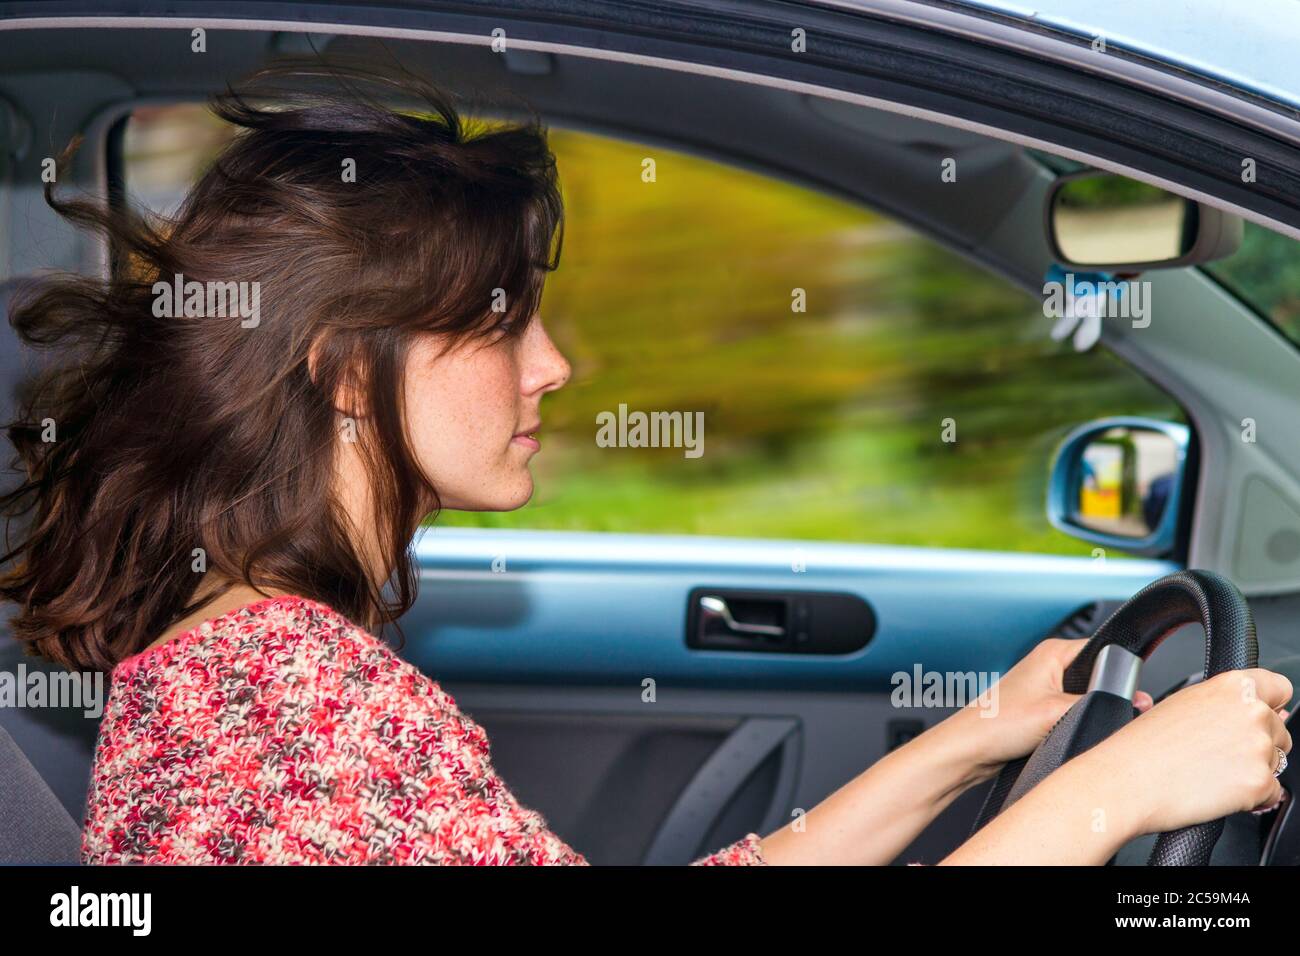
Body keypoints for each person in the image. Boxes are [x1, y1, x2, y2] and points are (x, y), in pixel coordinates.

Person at [1, 65, 1289, 866]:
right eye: (503, 321)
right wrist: (1111, 797)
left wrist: (983, 735)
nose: (554, 365)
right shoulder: (300, 714)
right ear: (348, 368)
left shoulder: (255, 666)